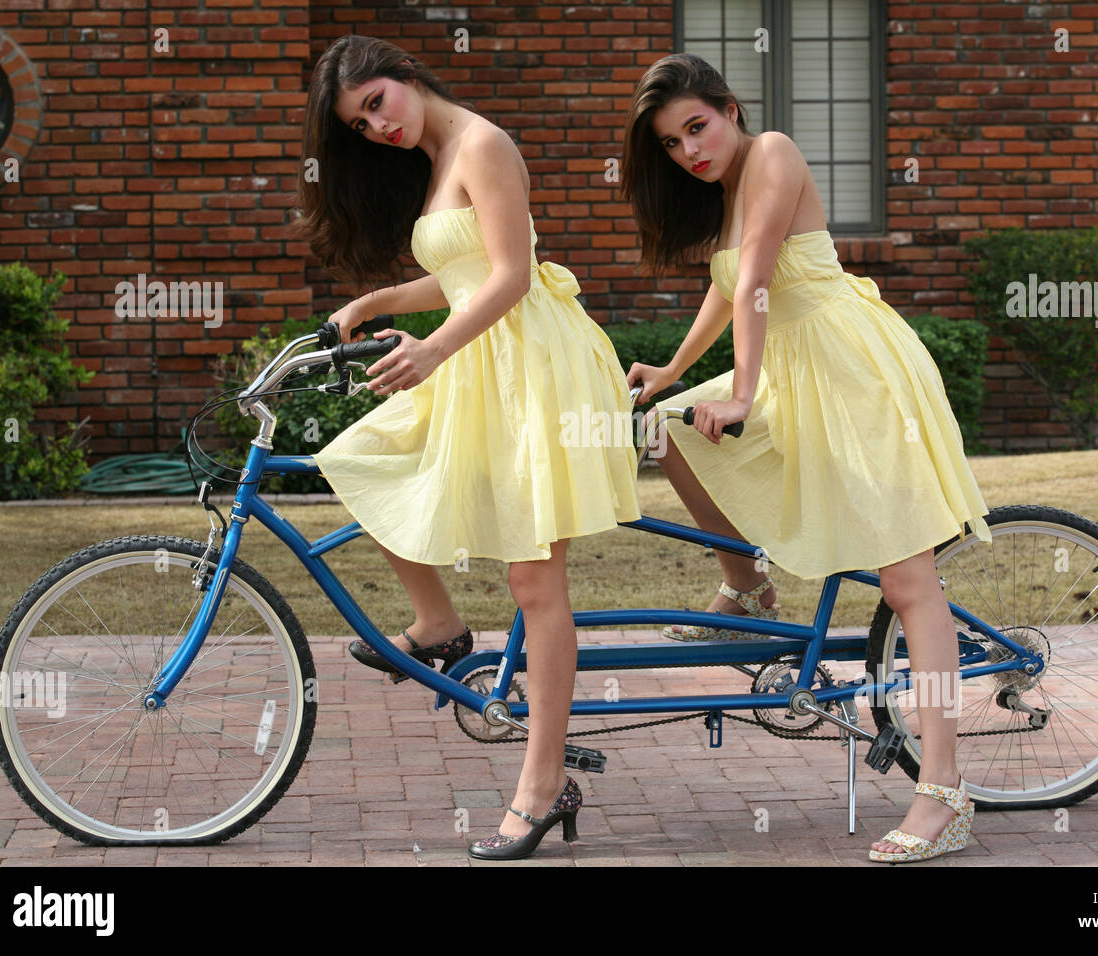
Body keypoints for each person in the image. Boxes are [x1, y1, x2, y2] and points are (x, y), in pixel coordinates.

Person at [621, 53, 990, 863]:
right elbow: (727, 287)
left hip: (851, 371)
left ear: (730, 108)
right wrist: (678, 373)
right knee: (672, 428)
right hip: (798, 370)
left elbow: (756, 278)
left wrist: (744, 394)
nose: (690, 150)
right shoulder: (726, 191)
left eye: (697, 127)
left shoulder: (775, 152)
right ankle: (747, 590)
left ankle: (944, 791)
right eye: (673, 143)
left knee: (907, 582)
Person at [294, 35, 640, 860]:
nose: (376, 128)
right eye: (359, 124)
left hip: (535, 366)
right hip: (483, 357)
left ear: (406, 75)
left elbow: (513, 274)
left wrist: (434, 348)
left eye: (377, 103)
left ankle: (542, 782)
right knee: (358, 461)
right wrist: (377, 299)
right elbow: (464, 272)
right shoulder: (442, 151)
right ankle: (440, 622)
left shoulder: (483, 144)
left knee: (532, 577)